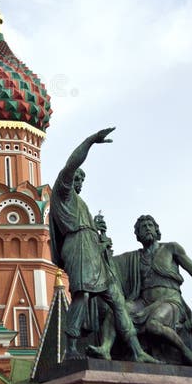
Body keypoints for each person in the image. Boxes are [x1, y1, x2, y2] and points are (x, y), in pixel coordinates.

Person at [49, 128, 155, 361]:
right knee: (82, 295)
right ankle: (71, 348)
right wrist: (90, 141)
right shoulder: (63, 192)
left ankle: (137, 351)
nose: (79, 182)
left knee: (117, 300)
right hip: (78, 246)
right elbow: (71, 164)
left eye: (82, 179)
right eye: (77, 178)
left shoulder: (79, 202)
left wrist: (98, 237)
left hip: (91, 248)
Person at [89, 214, 192, 366]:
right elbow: (108, 265)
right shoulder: (134, 257)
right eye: (143, 227)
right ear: (138, 235)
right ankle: (105, 349)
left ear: (156, 230)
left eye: (150, 225)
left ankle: (188, 354)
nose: (147, 228)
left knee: (153, 324)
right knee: (116, 310)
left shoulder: (171, 248)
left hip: (171, 301)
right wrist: (96, 238)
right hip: (143, 302)